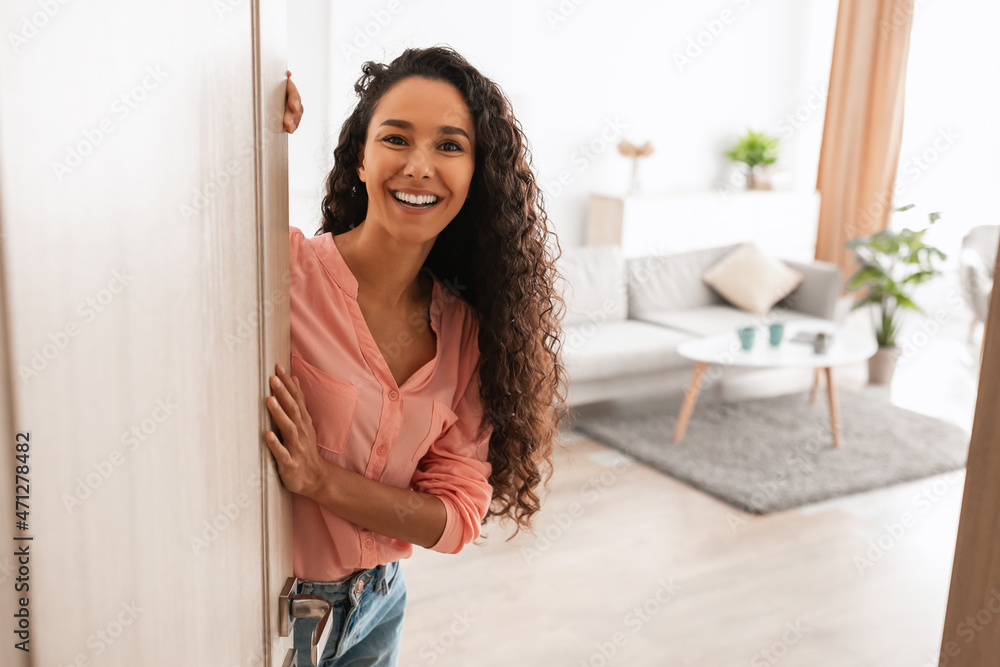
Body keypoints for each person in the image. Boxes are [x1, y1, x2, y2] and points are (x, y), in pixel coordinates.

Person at [265, 45, 569, 666]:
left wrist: (321, 480)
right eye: (396, 138)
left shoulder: (465, 333)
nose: (420, 166)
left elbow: (455, 519)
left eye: (450, 146)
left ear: (476, 174)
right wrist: (244, 124)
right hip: (276, 613)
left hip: (378, 605)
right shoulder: (283, 272)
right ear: (361, 155)